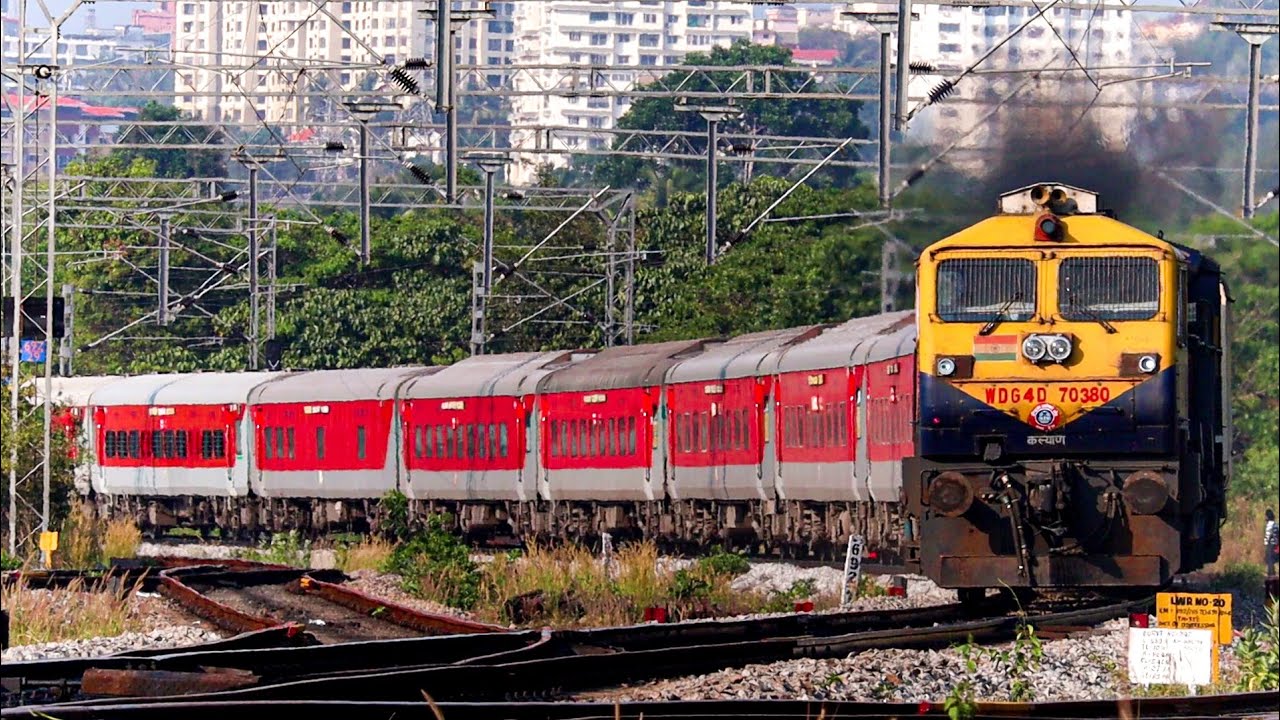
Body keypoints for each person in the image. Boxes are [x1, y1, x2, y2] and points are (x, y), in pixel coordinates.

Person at [1266, 509, 1278, 577]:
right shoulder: (1275, 524)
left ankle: (1271, 574)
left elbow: (1269, 536)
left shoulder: (1270, 524)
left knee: (1270, 559)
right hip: (1275, 544)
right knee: (1272, 559)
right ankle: (1272, 573)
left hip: (1271, 544)